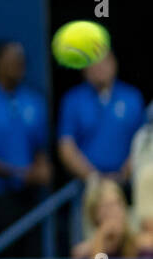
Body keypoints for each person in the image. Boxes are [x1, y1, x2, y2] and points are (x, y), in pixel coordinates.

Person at [0, 40, 52, 257]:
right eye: (12, 60)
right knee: (3, 256)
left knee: (34, 254)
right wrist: (21, 173)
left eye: (21, 60)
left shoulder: (34, 102)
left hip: (31, 197)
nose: (19, 65)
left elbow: (39, 146)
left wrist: (41, 168)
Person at [58, 50, 146, 188]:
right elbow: (66, 145)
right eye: (93, 64)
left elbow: (144, 141)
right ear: (84, 69)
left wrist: (124, 175)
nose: (99, 68)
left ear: (114, 64)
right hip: (85, 185)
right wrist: (93, 177)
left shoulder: (132, 97)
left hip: (127, 183)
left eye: (104, 62)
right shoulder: (73, 99)